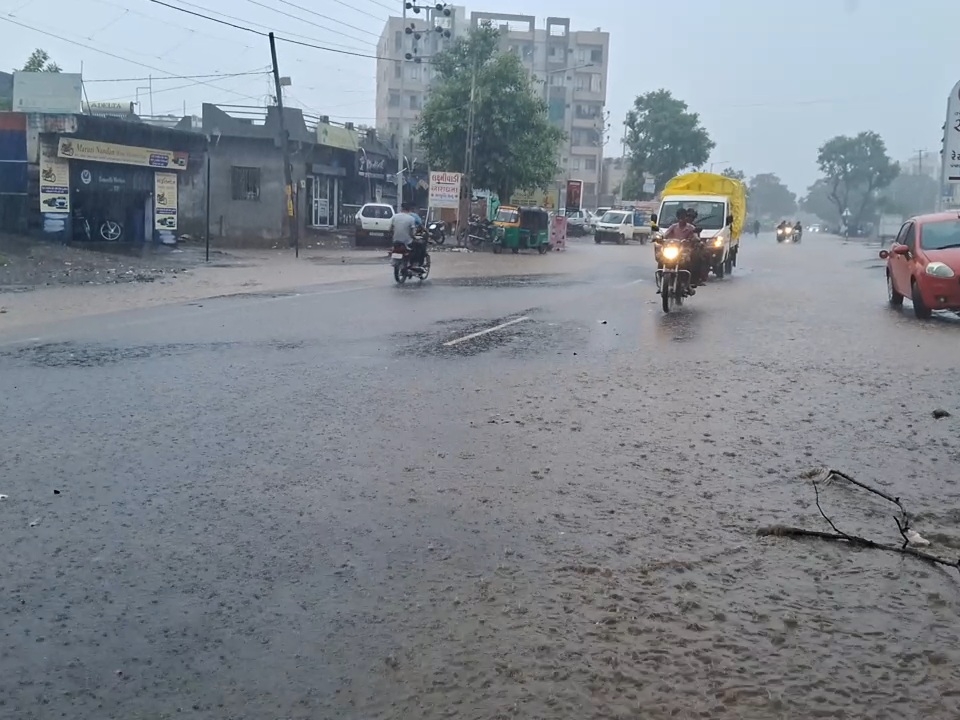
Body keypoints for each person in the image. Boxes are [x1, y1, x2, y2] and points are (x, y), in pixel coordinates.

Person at [391, 202, 426, 269]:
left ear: (401, 208)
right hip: (407, 242)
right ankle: (415, 263)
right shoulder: (411, 218)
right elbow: (412, 233)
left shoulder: (394, 216)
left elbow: (390, 229)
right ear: (410, 209)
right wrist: (415, 237)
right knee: (420, 245)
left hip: (395, 240)